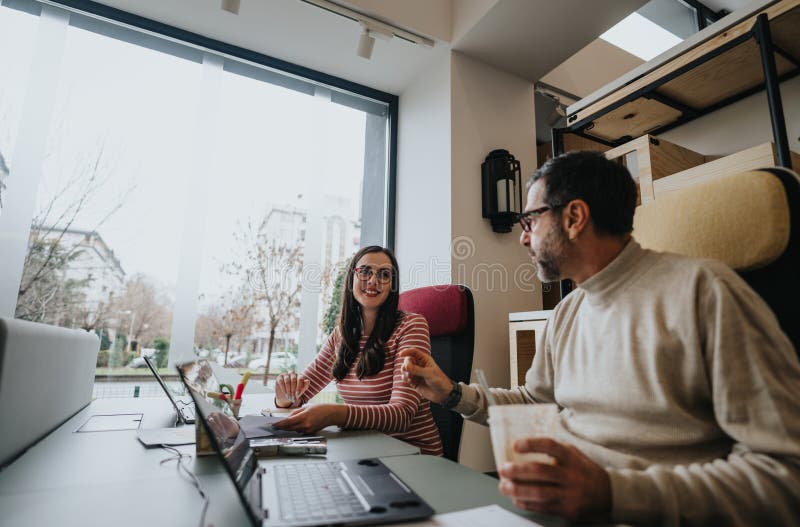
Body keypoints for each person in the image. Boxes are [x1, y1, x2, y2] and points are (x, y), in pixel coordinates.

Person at [400, 151, 800, 525]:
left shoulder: (704, 292)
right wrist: (452, 392)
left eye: (530, 221)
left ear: (574, 217)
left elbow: (783, 474)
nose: (523, 238)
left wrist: (612, 492)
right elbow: (535, 402)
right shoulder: (566, 314)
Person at [273, 245, 443, 456]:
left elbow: (402, 415)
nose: (373, 280)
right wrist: (284, 396)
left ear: (392, 285)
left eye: (384, 274)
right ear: (352, 277)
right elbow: (299, 394)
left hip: (413, 457)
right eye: (365, 271)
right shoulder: (340, 335)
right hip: (365, 452)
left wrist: (334, 414)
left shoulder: (411, 326)